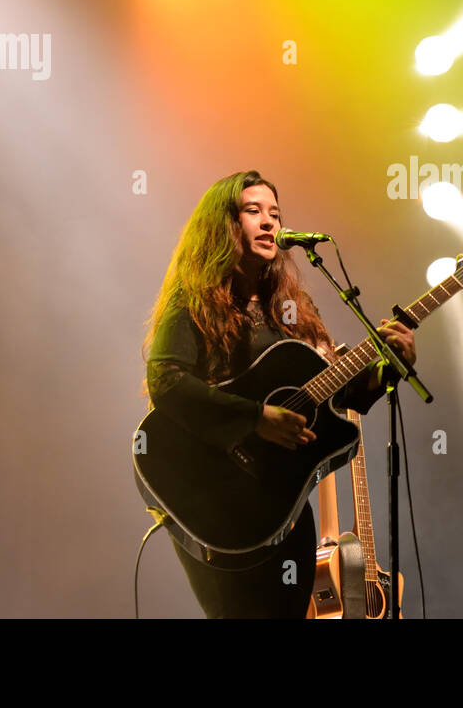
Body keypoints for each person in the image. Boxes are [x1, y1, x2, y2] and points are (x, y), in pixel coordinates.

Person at [141, 170, 416, 618]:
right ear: (224, 225)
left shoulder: (292, 311)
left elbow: (341, 394)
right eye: (253, 211)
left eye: (275, 213)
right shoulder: (193, 300)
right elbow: (166, 380)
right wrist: (255, 418)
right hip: (215, 498)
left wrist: (391, 368)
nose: (269, 222)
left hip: (283, 502)